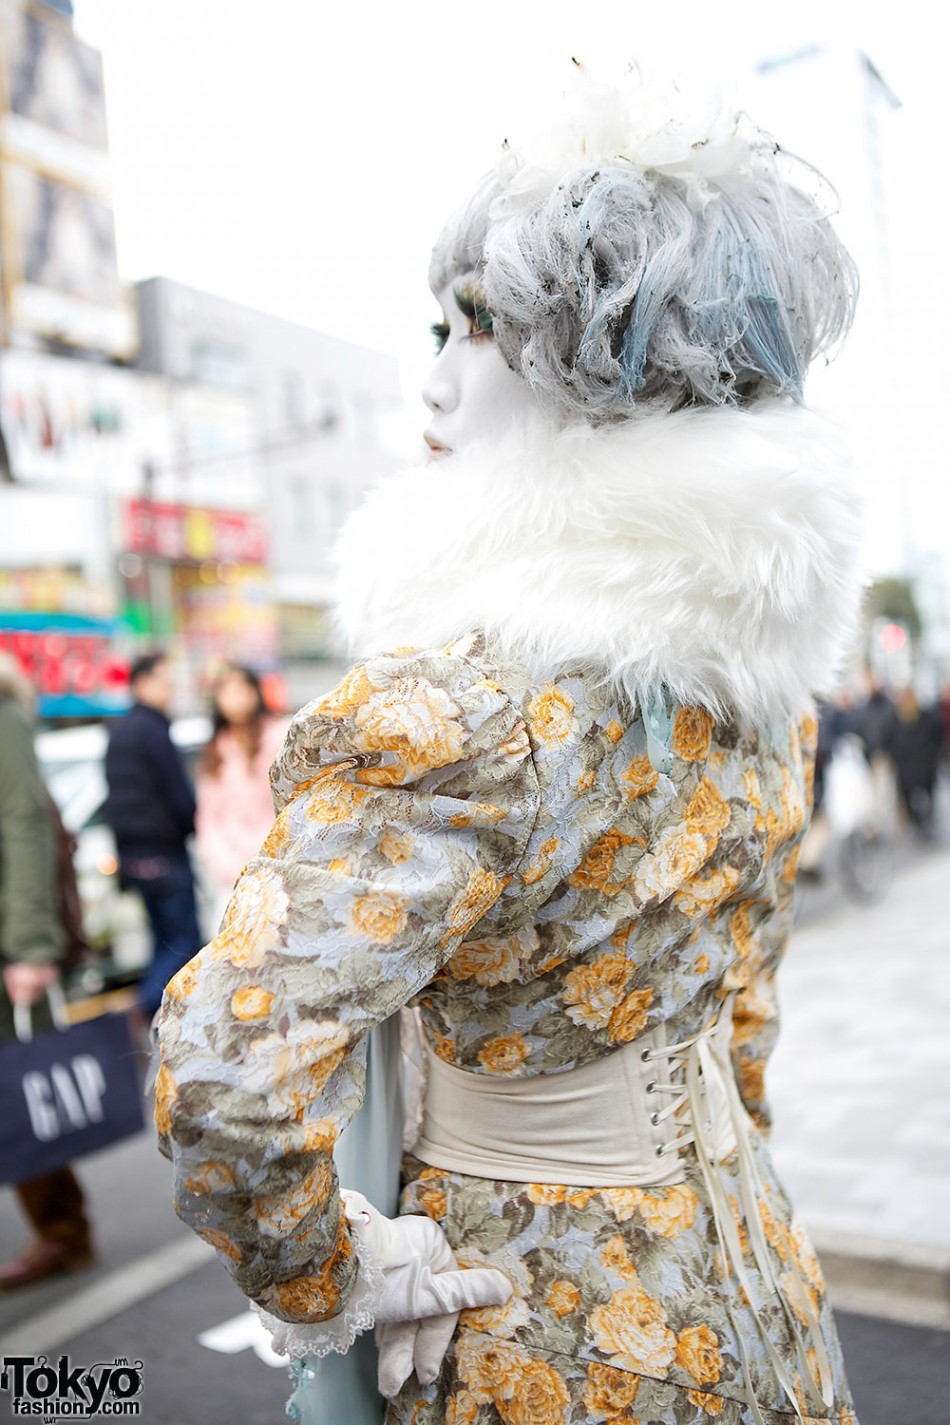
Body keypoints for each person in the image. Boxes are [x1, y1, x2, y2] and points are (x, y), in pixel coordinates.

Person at [155, 70, 864, 1425]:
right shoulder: (766, 693)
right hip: (754, 1282)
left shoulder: (454, 718)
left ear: (590, 380)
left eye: (471, 331)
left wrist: (335, 1276)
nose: (431, 378)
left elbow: (225, 1068)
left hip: (538, 1315)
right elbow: (743, 1023)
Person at [0, 655, 95, 1290]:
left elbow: (24, 829)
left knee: (17, 1089)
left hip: (7, 947)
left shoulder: (5, 722)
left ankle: (64, 1231)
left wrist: (31, 949)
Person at [103, 651, 202, 1019]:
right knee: (181, 946)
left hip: (135, 859)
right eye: (165, 680)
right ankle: (147, 1010)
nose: (171, 688)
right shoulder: (154, 731)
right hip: (166, 855)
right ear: (142, 683)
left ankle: (152, 1015)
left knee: (161, 943)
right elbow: (178, 796)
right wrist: (190, 827)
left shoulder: (119, 733)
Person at [195, 665, 289, 932]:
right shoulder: (216, 750)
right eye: (226, 689)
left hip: (281, 865)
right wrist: (226, 866)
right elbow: (209, 818)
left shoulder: (278, 736)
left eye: (241, 687)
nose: (235, 697)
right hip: (235, 874)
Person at [889, 686, 945, 839]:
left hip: (925, 764)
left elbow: (937, 734)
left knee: (928, 795)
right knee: (908, 797)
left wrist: (933, 753)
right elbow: (890, 739)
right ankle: (918, 823)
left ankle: (927, 822)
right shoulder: (896, 719)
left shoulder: (926, 717)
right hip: (906, 766)